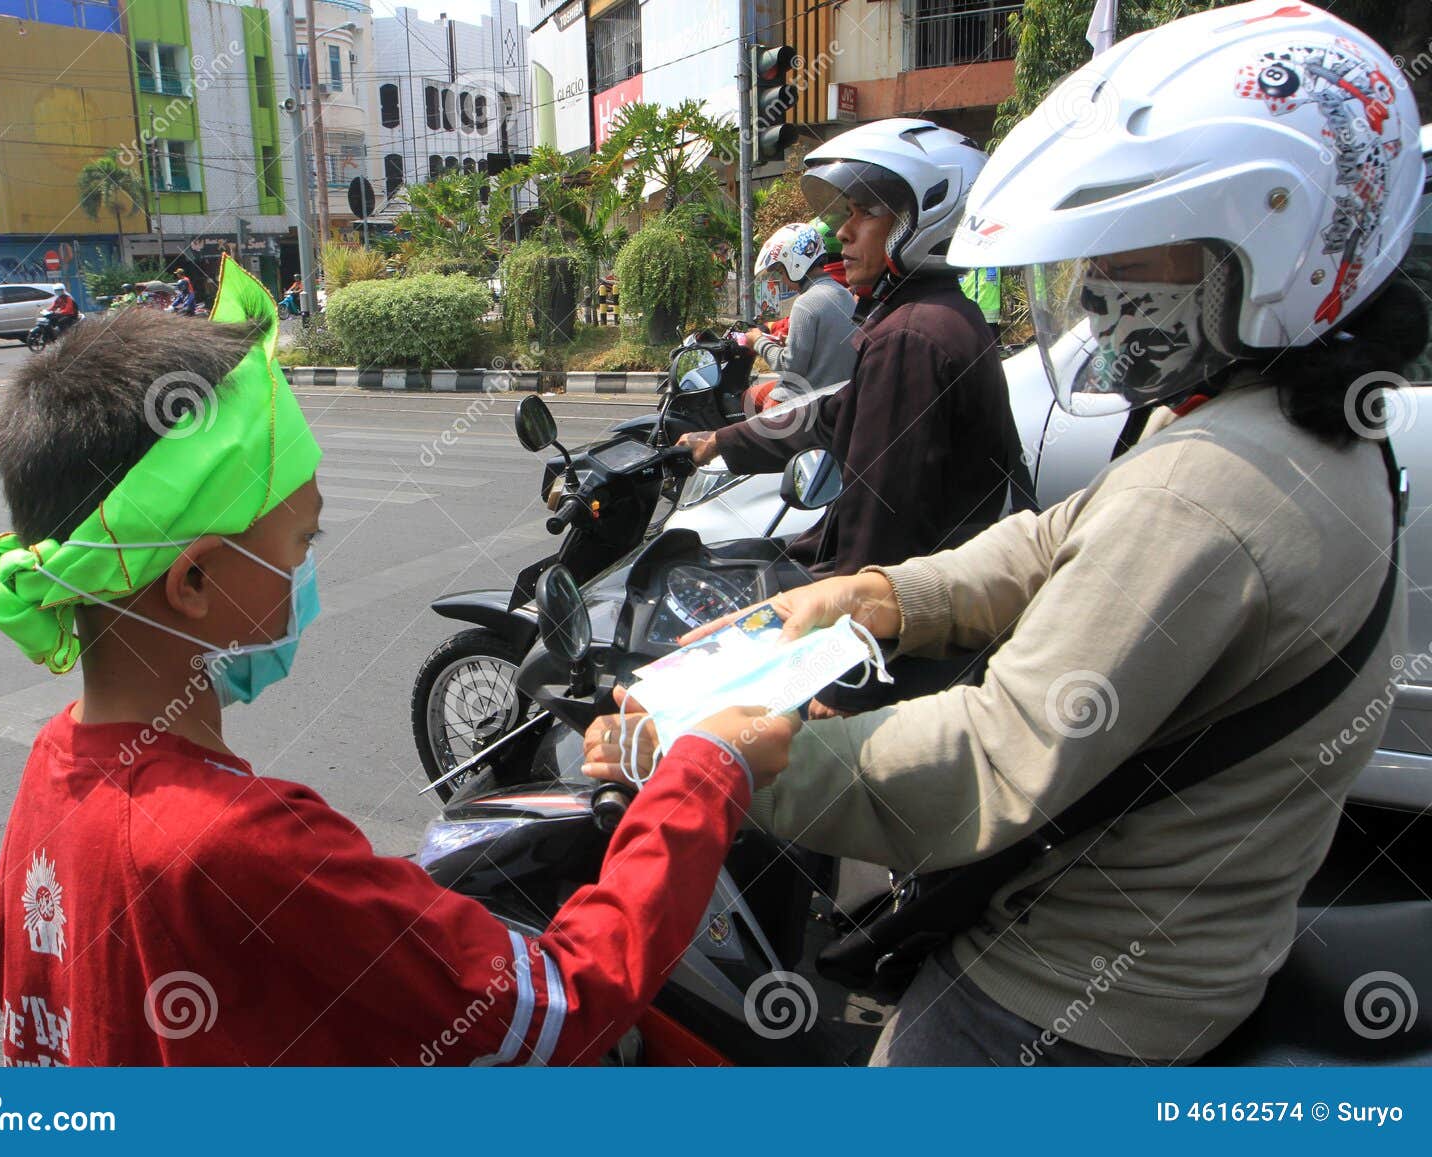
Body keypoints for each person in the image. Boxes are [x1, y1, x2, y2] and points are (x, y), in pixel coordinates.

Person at [586, 2, 1423, 1066]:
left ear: (1271, 245)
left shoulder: (1211, 492)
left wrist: (716, 760)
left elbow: (990, 759)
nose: (1096, 288)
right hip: (1182, 948)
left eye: (1141, 250)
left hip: (1060, 995)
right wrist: (873, 593)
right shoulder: (1297, 426)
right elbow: (1049, 537)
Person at [0, 258, 784, 1066]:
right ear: (194, 579)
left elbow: (9, 971)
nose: (308, 566)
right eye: (301, 541)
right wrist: (706, 770)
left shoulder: (52, 768)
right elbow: (558, 1005)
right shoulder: (241, 843)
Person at [679, 120, 1022, 584]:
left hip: (892, 597)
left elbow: (873, 537)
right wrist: (724, 441)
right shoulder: (937, 313)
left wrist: (821, 607)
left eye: (866, 213)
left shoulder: (909, 338)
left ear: (924, 220)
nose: (843, 232)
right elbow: (833, 415)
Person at [741, 221, 858, 392]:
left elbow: (789, 369)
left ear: (794, 264)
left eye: (781, 272)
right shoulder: (843, 293)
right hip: (839, 395)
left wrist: (758, 341)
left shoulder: (805, 303)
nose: (783, 281)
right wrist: (789, 342)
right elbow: (826, 349)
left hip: (811, 400)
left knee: (751, 397)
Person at [957, 266, 1001, 344]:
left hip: (989, 319)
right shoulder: (962, 266)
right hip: (967, 316)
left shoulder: (994, 263)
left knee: (994, 348)